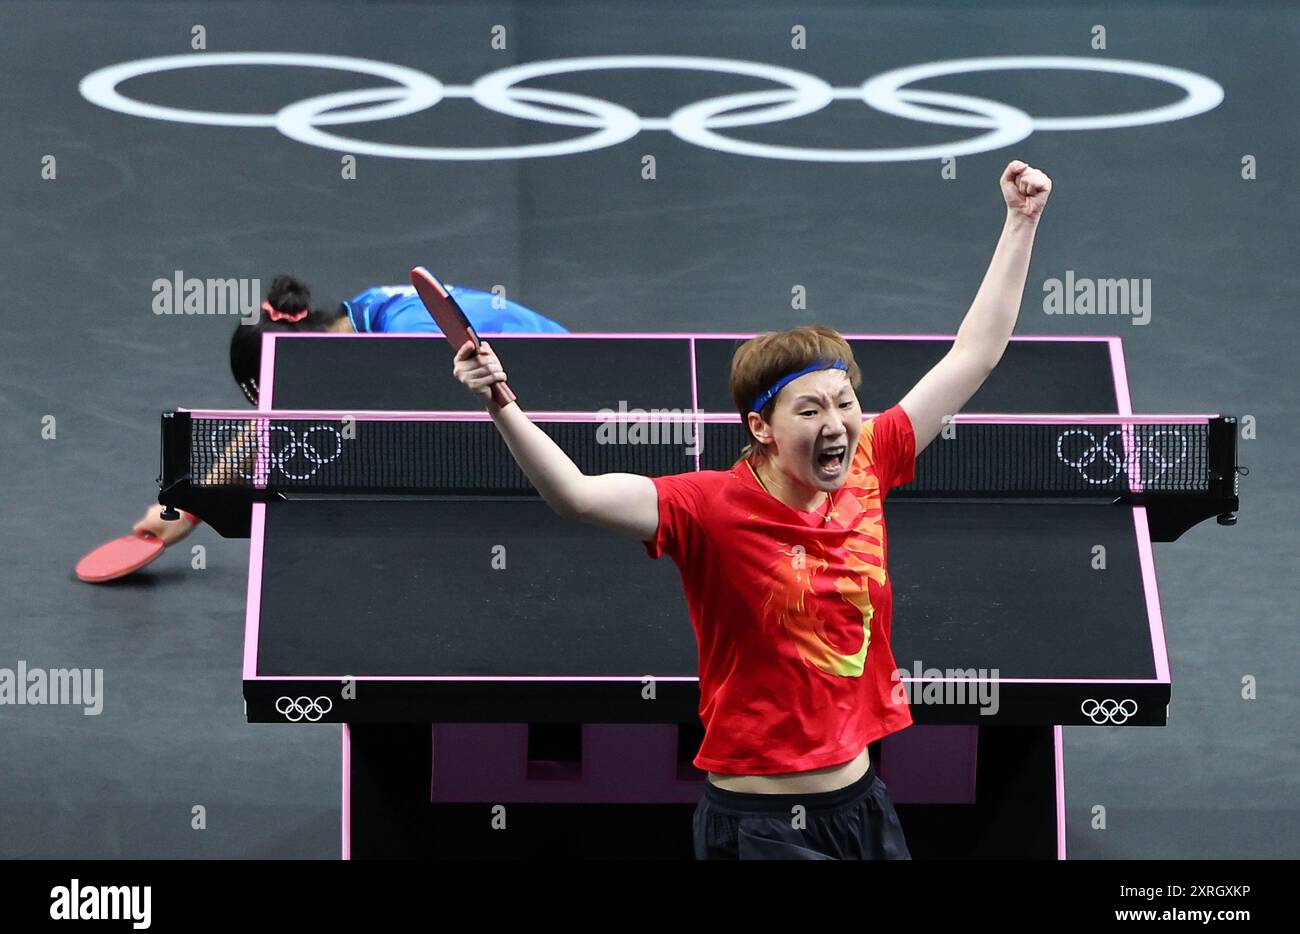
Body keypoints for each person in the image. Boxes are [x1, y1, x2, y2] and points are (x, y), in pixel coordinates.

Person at [451, 160, 1052, 859]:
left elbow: (975, 353)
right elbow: (576, 494)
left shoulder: (870, 459)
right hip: (759, 826)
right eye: (811, 408)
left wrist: (1020, 221)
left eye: (845, 401)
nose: (837, 421)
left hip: (860, 804)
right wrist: (501, 404)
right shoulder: (708, 507)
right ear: (763, 427)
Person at [131, 274, 567, 544]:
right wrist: (191, 507)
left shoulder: (405, 335)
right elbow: (266, 424)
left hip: (558, 398)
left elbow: (444, 426)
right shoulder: (353, 319)